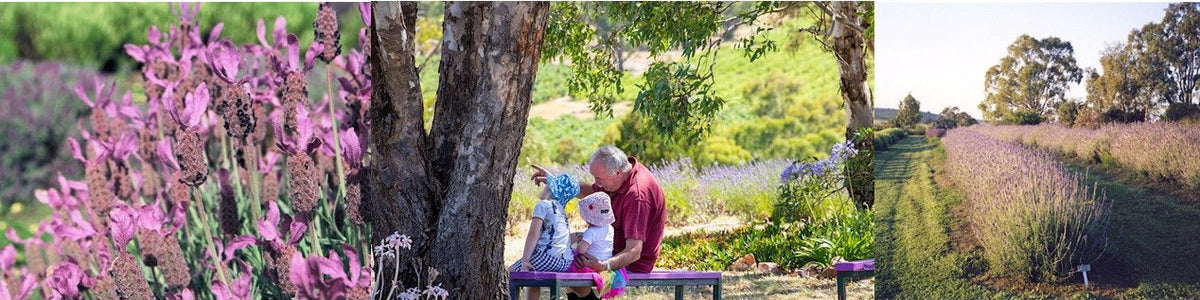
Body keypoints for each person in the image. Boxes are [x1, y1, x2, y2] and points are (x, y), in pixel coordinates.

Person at [530, 145, 666, 300]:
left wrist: (603, 265)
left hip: (628, 262)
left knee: (569, 268)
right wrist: (557, 183)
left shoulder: (638, 196)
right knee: (566, 260)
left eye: (599, 179)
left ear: (618, 173)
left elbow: (634, 252)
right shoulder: (620, 176)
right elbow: (593, 191)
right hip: (606, 248)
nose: (597, 183)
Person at [509, 172, 579, 300]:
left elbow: (533, 234)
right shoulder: (561, 211)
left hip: (548, 257)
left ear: (550, 189)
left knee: (510, 273)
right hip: (565, 262)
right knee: (533, 276)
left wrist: (525, 261)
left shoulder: (543, 205)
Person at [565, 192, 626, 298]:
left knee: (567, 266)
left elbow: (581, 250)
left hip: (589, 263)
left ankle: (580, 297)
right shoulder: (610, 228)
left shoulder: (591, 232)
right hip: (607, 263)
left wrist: (579, 242)